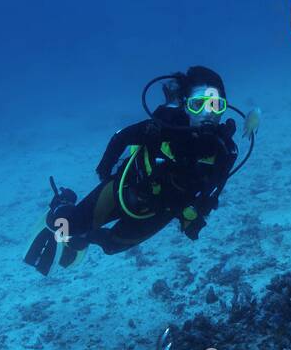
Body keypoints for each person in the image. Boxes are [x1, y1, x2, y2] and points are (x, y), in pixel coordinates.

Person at [24, 67, 253, 275]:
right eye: (197, 105)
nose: (208, 113)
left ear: (224, 106)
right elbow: (121, 137)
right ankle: (62, 205)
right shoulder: (163, 126)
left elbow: (208, 194)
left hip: (160, 211)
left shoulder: (225, 152)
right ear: (184, 105)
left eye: (216, 105)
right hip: (123, 190)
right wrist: (105, 170)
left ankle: (82, 237)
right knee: (69, 225)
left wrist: (192, 217)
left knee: (111, 246)